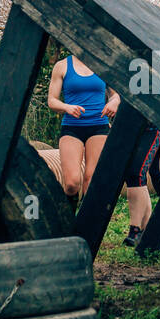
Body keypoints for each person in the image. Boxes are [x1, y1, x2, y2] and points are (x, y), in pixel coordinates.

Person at [48, 54, 120, 205]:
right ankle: (67, 220)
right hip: (72, 128)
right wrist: (66, 107)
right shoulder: (62, 66)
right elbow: (52, 100)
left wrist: (114, 102)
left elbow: (116, 94)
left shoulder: (103, 64)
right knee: (72, 183)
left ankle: (84, 227)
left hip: (99, 126)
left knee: (91, 179)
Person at [122, 126, 160, 247]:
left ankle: (135, 230)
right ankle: (145, 230)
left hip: (152, 127)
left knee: (137, 173)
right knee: (133, 176)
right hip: (131, 126)